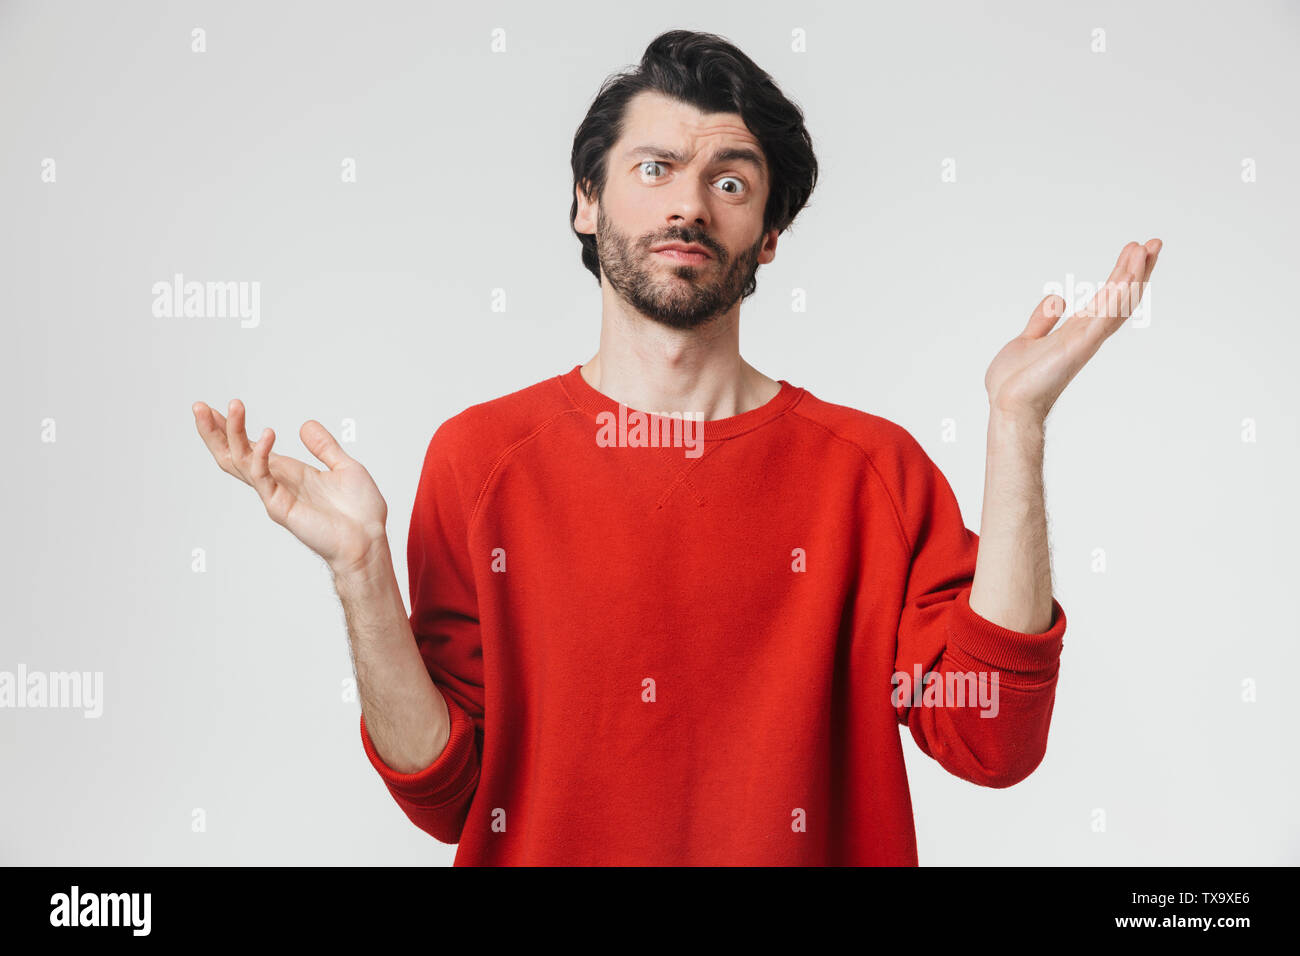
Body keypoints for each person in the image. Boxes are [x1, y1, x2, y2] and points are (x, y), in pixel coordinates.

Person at [192, 30, 1160, 865]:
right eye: (654, 169)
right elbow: (446, 795)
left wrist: (1015, 427)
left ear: (768, 234)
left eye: (728, 181)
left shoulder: (874, 471)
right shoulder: (480, 457)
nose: (687, 204)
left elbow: (989, 737)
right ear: (588, 202)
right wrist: (363, 572)